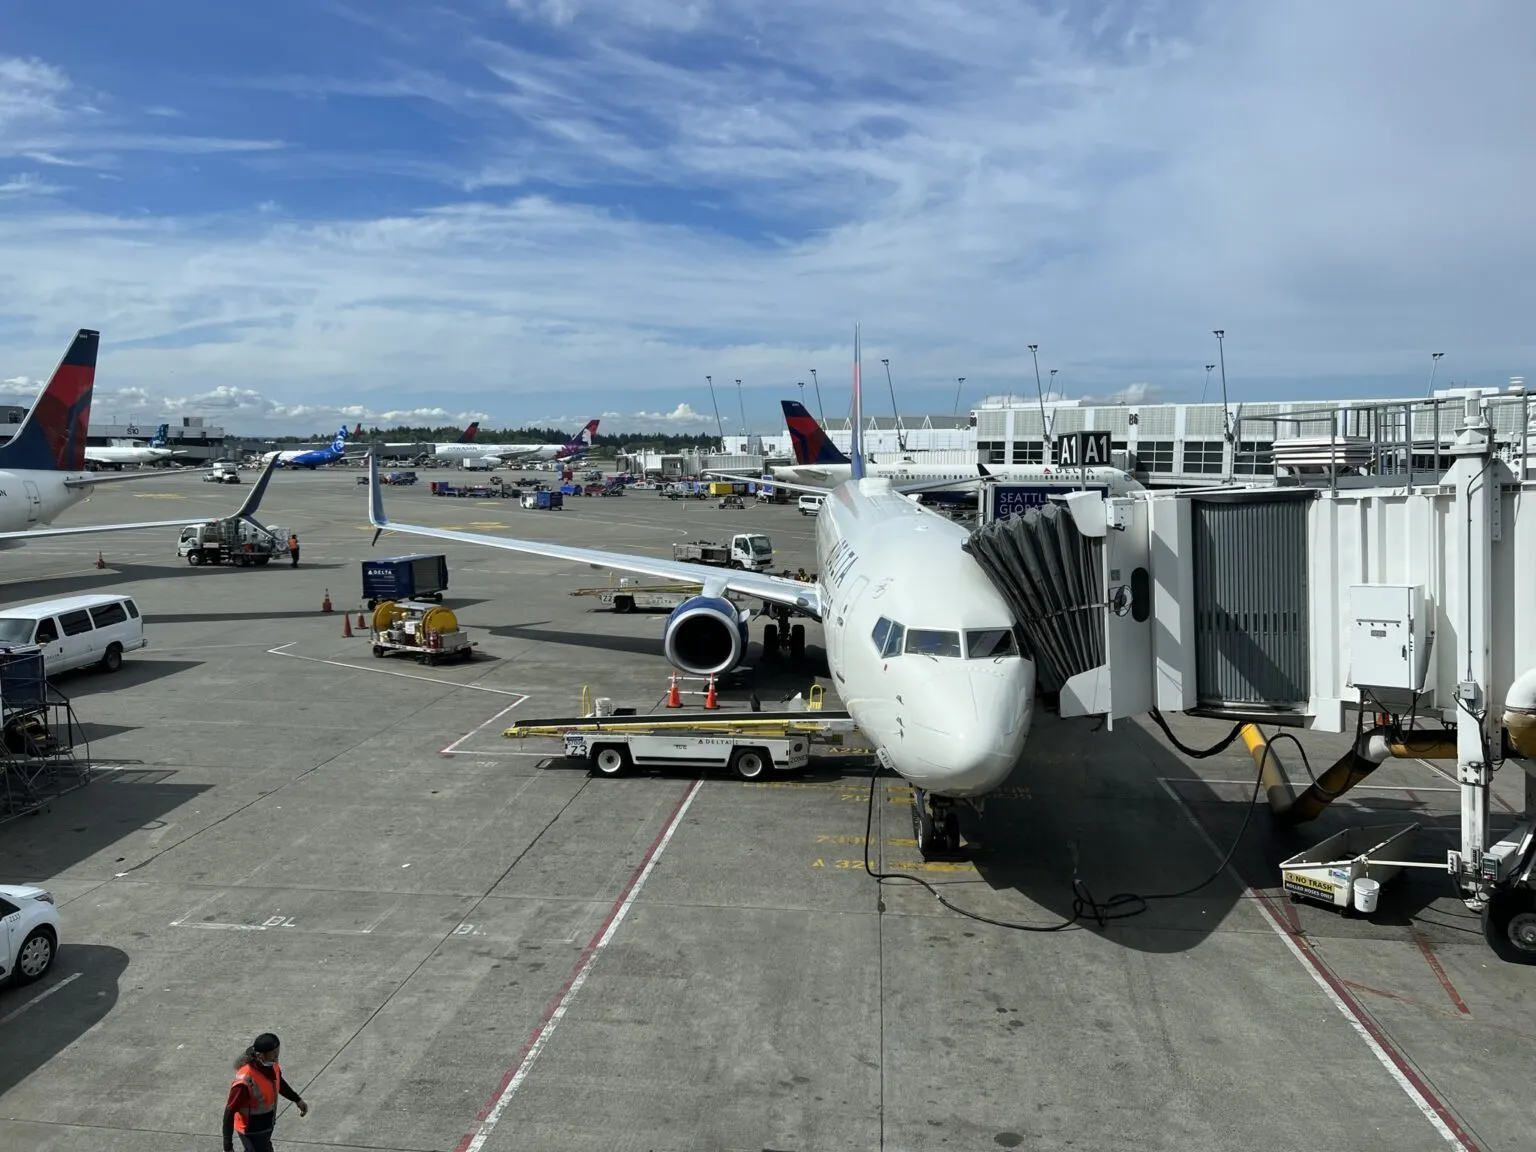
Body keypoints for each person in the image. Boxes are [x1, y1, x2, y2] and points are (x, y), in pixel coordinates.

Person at [223, 1033, 308, 1152]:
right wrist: (228, 1147)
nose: (277, 1056)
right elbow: (229, 1111)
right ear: (260, 1055)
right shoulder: (245, 1081)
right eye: (273, 1053)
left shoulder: (271, 1066)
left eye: (277, 1052)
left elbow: (278, 1083)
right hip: (251, 1131)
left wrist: (296, 1099)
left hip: (266, 1126)